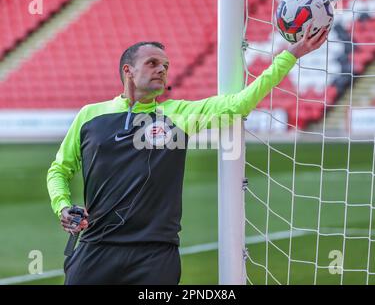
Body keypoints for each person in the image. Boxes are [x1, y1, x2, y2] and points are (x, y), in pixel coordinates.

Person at [47, 23, 328, 285]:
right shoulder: (89, 115)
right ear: (128, 71)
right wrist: (63, 206)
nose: (162, 70)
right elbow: (59, 170)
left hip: (155, 255)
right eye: (153, 63)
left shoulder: (178, 114)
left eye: (165, 66)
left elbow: (241, 103)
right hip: (96, 247)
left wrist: (291, 55)